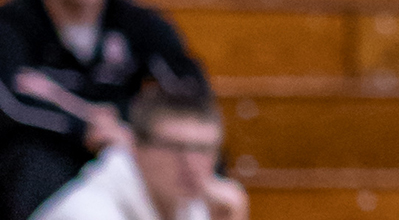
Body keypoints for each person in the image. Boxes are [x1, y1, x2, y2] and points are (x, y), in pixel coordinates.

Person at [1, 0, 207, 220]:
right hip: (42, 169)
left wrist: (128, 124)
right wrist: (84, 129)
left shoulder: (138, 23)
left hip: (123, 156)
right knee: (31, 161)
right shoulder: (12, 25)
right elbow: (8, 106)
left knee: (180, 164)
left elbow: (189, 94)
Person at [30, 86, 246, 220]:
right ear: (134, 148)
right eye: (175, 147)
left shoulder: (195, 206)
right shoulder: (87, 212)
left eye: (203, 149)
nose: (191, 163)